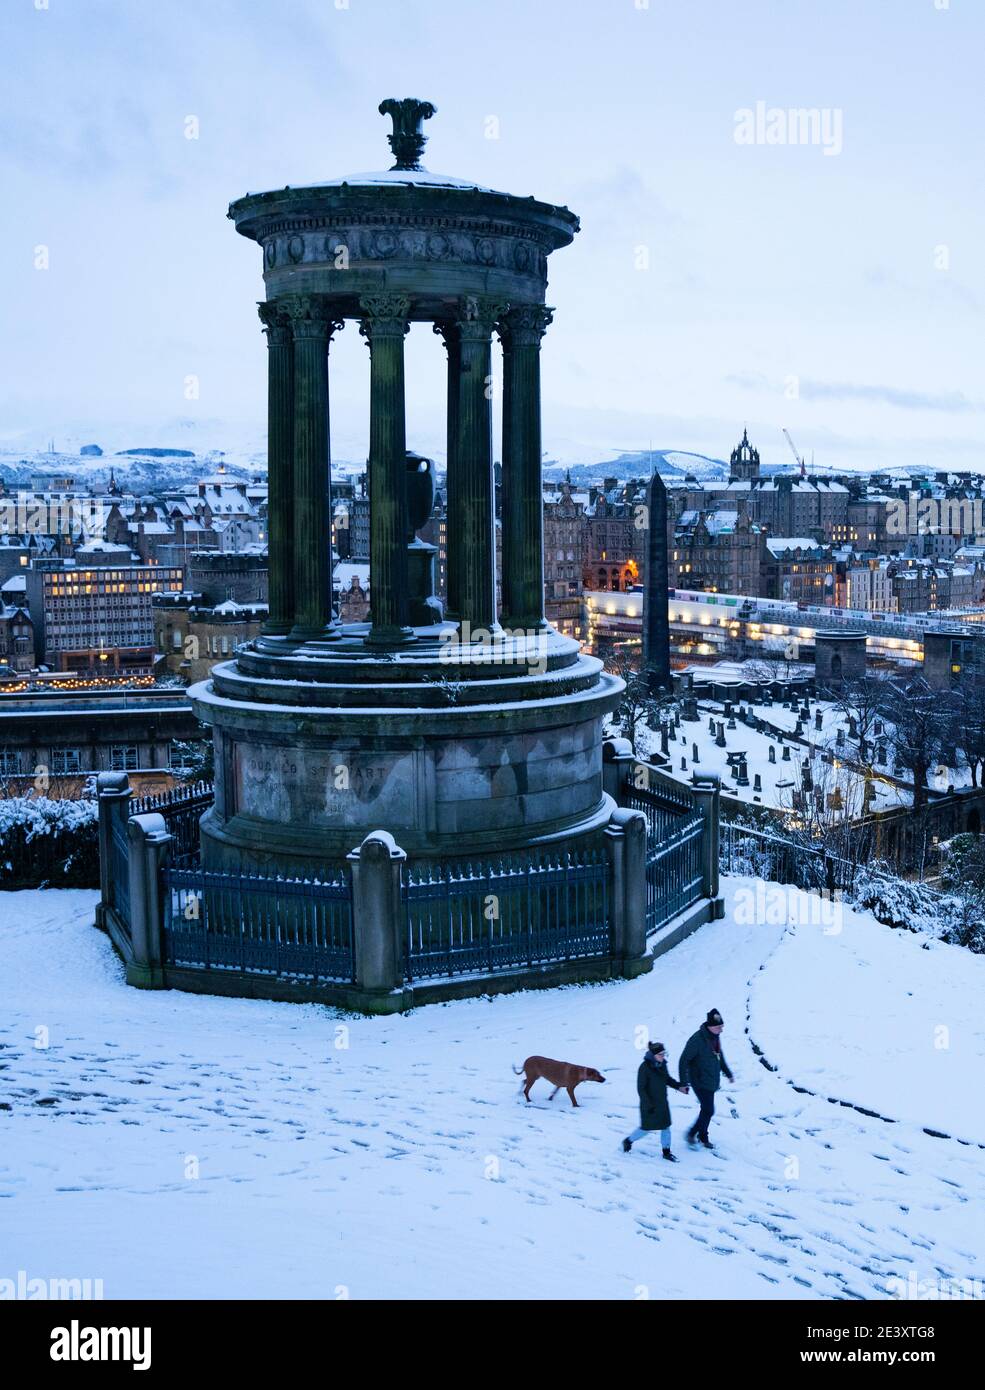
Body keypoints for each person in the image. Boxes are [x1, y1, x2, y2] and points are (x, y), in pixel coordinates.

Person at [622, 1042, 689, 1162]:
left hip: (662, 1102)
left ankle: (666, 1152)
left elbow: (667, 1079)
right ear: (653, 1055)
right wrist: (648, 1105)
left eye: (664, 1054)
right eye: (660, 1054)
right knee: (645, 1129)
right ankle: (628, 1141)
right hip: (649, 1105)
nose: (663, 1056)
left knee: (666, 1127)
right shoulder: (644, 1068)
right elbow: (641, 1089)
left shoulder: (662, 1065)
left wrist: (679, 1087)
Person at [678, 1008, 734, 1149]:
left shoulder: (714, 1037)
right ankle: (693, 1134)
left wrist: (728, 1073)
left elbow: (719, 1056)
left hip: (711, 1079)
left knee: (707, 1110)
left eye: (722, 1026)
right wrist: (683, 1083)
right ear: (710, 1026)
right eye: (718, 1027)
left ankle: (702, 1136)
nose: (721, 1030)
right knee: (709, 1109)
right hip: (699, 1080)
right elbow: (683, 1060)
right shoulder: (696, 1040)